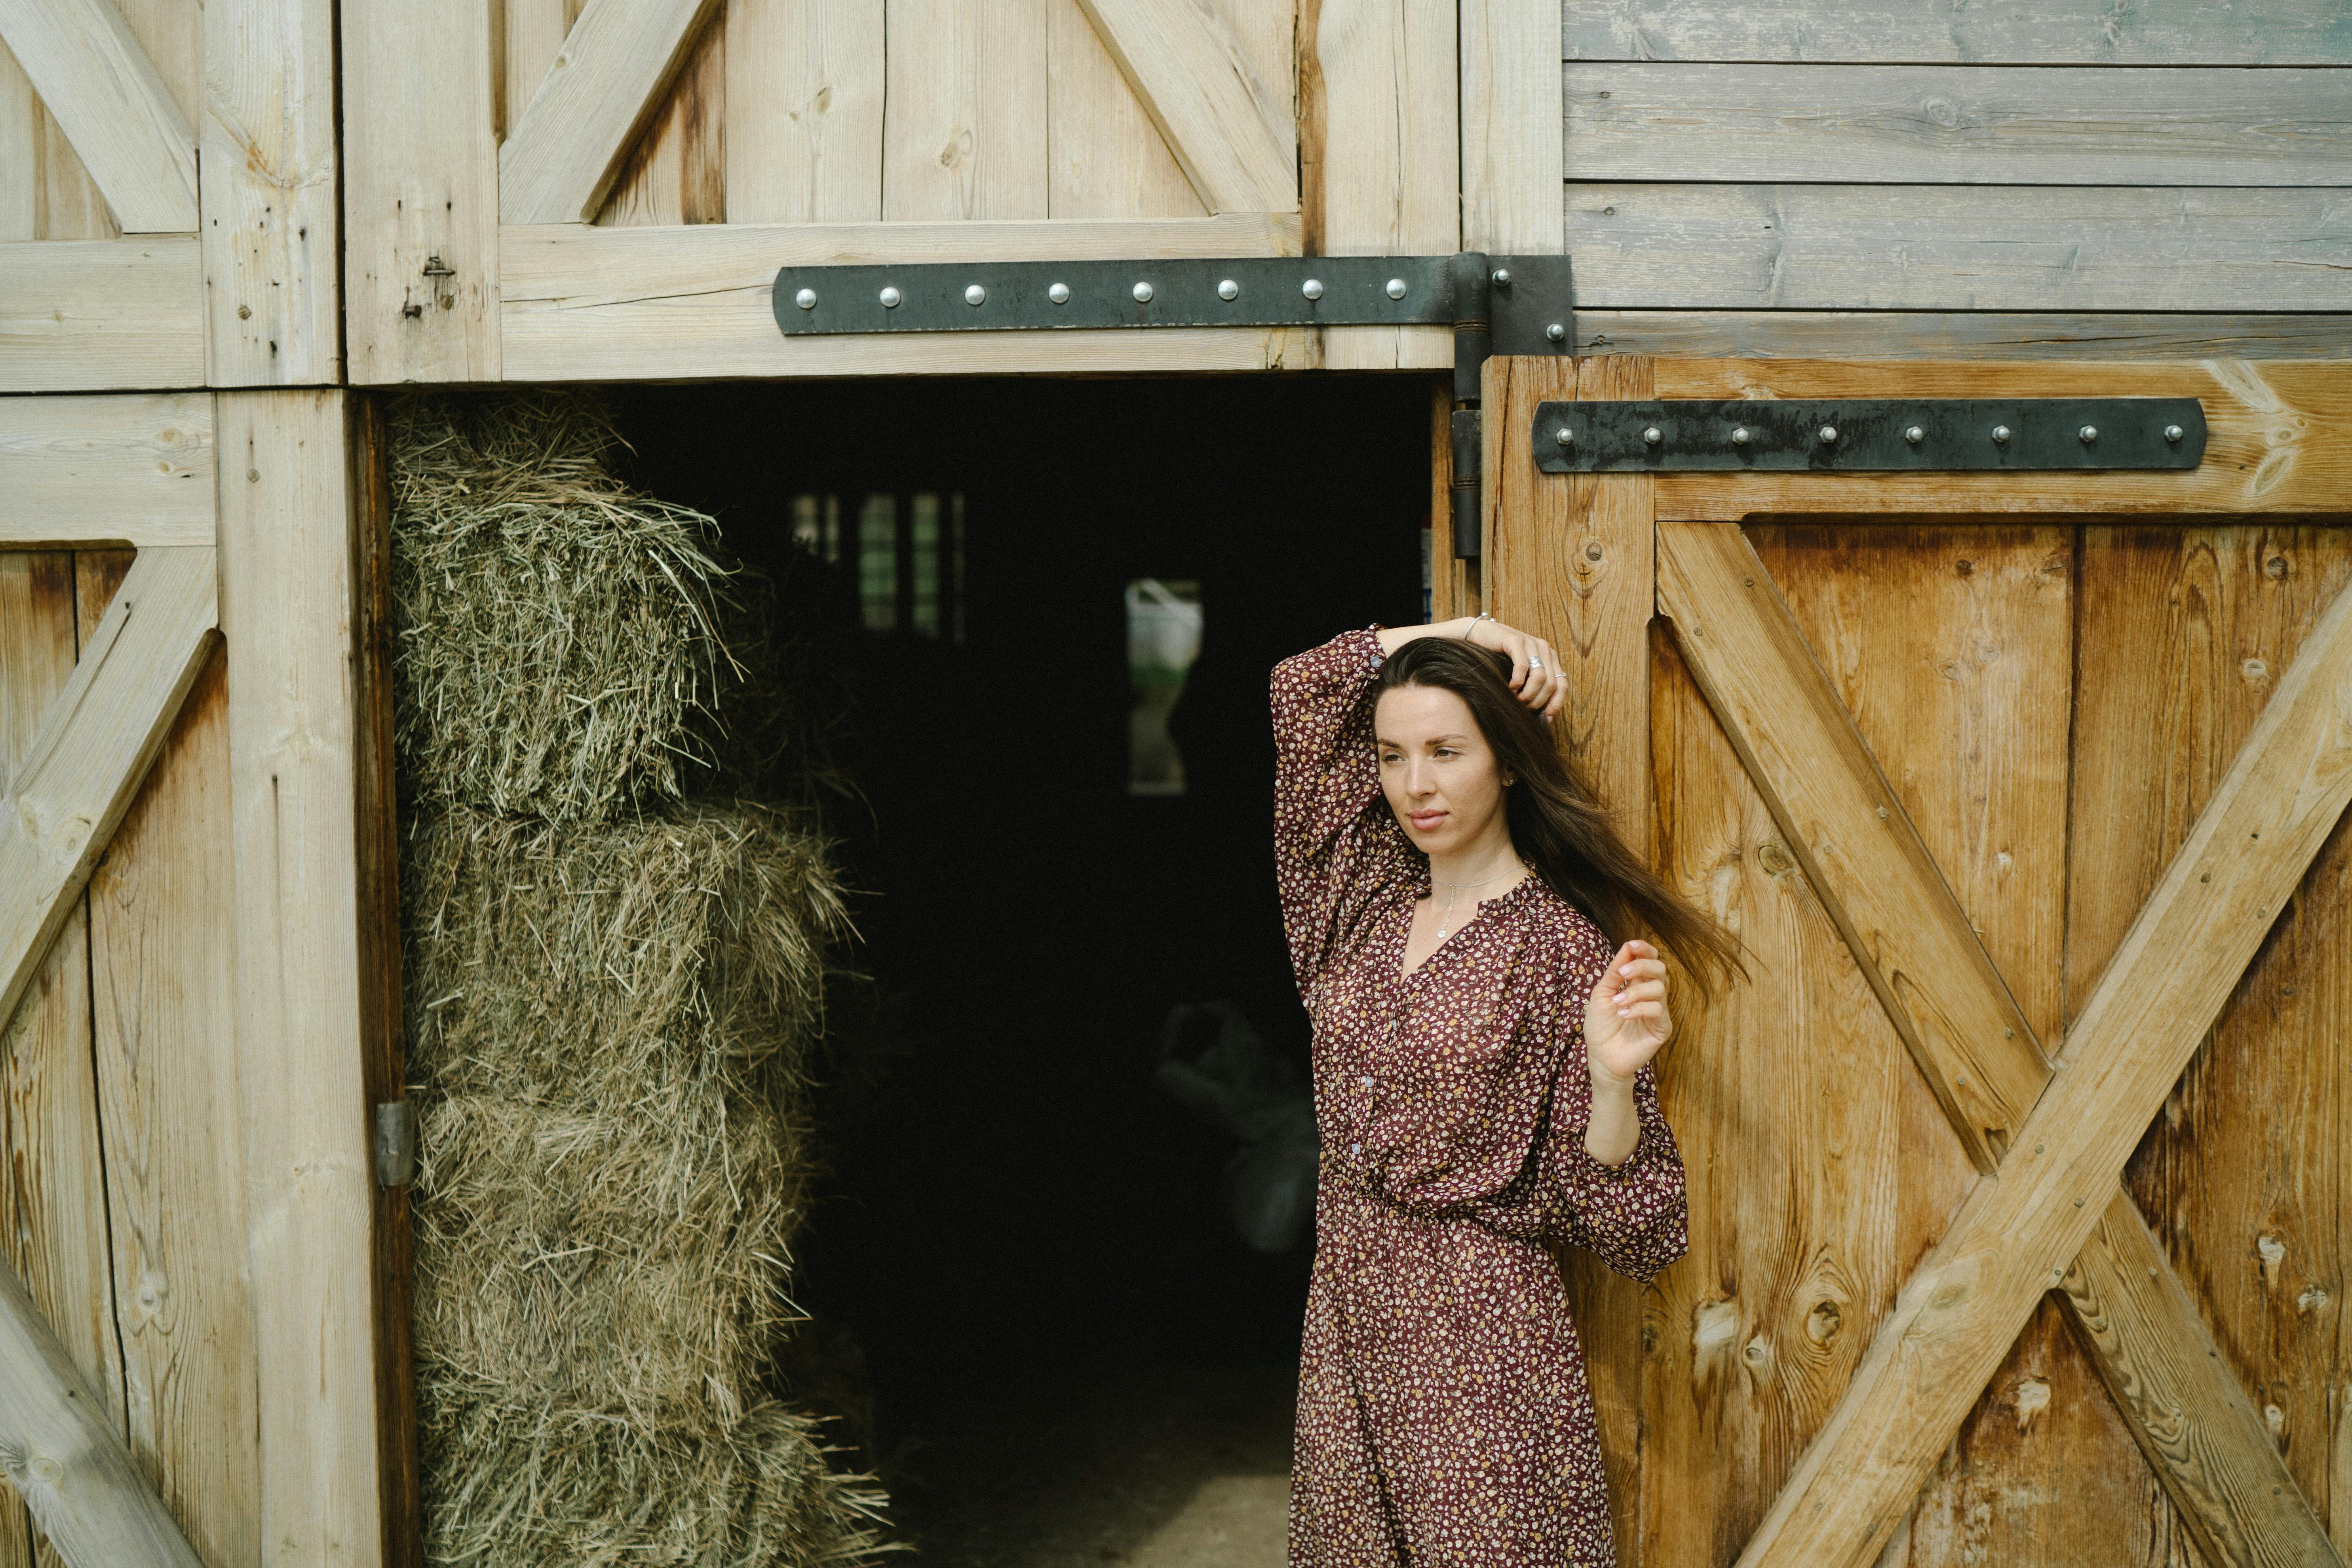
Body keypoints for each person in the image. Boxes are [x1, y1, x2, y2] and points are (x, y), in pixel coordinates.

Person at [1271, 613, 1740, 1568]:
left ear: (1510, 762)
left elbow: (1635, 1223)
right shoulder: (1353, 902)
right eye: (1394, 755)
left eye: (1446, 751)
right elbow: (1297, 691)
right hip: (1346, 1326)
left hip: (1477, 1339)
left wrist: (1612, 1079)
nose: (1416, 785)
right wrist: (1467, 629)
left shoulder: (1557, 948)